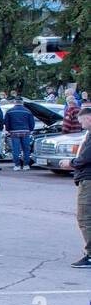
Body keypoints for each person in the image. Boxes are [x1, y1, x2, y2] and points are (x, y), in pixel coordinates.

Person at [69, 104, 91, 268]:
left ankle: (90, 255)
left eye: (81, 121)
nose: (80, 124)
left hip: (88, 180)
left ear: (88, 118)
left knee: (85, 218)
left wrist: (69, 162)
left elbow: (84, 159)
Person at [4, 99, 36, 170]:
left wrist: (8, 130)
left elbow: (6, 122)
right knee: (26, 149)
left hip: (14, 132)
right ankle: (26, 165)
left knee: (16, 149)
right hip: (25, 131)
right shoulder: (28, 111)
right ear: (22, 103)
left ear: (14, 102)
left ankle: (17, 165)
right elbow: (32, 122)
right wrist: (30, 130)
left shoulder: (10, 111)